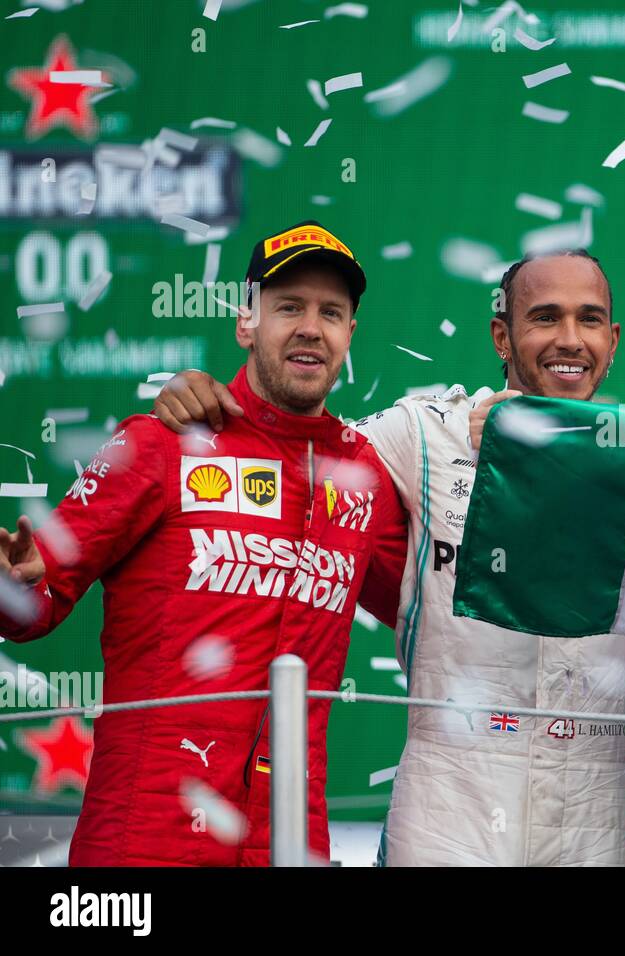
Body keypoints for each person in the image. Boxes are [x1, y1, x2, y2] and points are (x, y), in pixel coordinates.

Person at [154, 248, 625, 865]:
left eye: (590, 320)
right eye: (545, 317)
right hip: (449, 803)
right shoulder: (426, 432)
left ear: (613, 342)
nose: (569, 339)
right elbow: (305, 449)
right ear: (500, 337)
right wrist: (215, 401)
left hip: (594, 813)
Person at [0, 220, 408, 866]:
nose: (311, 327)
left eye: (331, 312)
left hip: (291, 844)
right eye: (289, 308)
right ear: (246, 324)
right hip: (144, 846)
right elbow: (37, 598)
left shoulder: (366, 478)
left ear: (349, 336)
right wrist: (13, 584)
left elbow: (432, 608)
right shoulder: (164, 442)